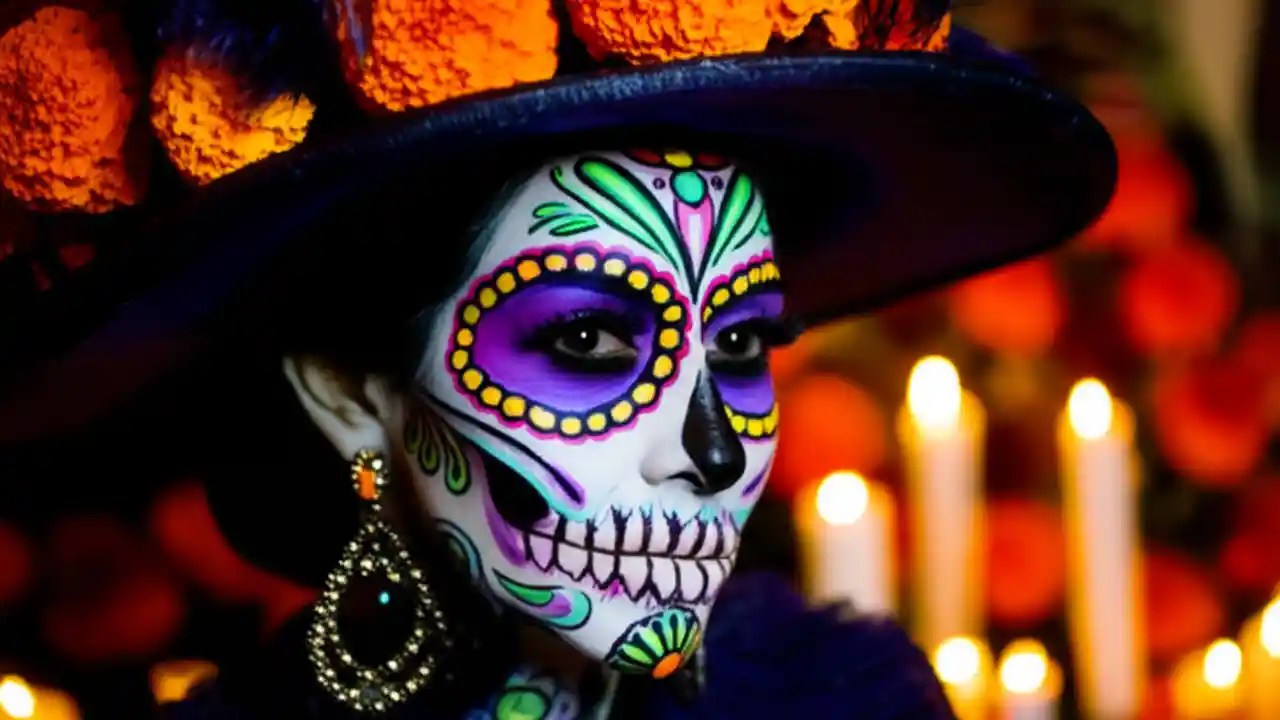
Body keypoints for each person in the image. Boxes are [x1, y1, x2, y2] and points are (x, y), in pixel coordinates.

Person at [0, 0, 1115, 717]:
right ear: (351, 392)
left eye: (738, 343)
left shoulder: (833, 699)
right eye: (587, 341)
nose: (716, 452)